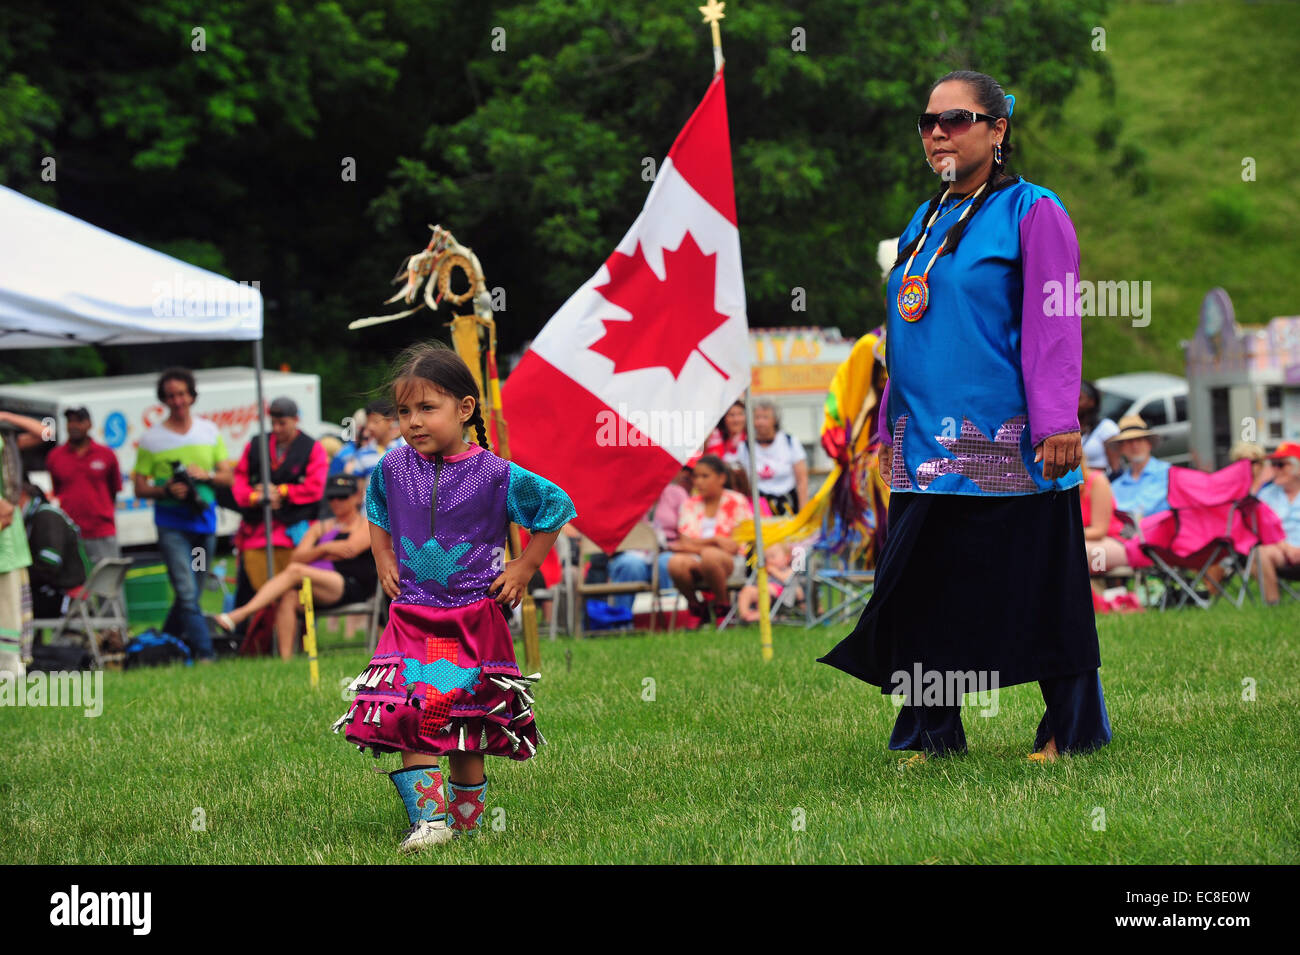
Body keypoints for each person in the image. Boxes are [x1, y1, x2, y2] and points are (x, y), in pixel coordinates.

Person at [820, 70, 1110, 764]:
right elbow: (905, 336)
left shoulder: (1034, 212)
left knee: (1039, 585)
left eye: (954, 118)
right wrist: (887, 426)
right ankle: (932, 733)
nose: (937, 132)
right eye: (927, 122)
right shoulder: (922, 222)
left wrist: (1056, 421)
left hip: (1006, 442)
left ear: (997, 129)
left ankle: (1070, 729)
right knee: (923, 593)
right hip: (922, 445)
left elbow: (1055, 318)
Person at [332, 342, 574, 852]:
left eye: (427, 408)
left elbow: (555, 506)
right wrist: (382, 558)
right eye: (404, 411)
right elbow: (375, 508)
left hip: (473, 617)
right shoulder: (393, 468)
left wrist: (524, 566)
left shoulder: (497, 474)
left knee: (466, 717)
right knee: (404, 709)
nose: (413, 422)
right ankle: (430, 822)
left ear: (464, 409)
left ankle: (466, 823)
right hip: (412, 616)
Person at [132, 368, 234, 663]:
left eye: (181, 394)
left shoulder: (209, 431)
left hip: (203, 524)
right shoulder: (152, 438)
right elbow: (139, 487)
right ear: (164, 400)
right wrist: (165, 490)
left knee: (193, 592)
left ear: (191, 396)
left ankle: (166, 642)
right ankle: (206, 654)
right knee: (187, 592)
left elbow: (228, 477)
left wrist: (206, 475)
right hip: (172, 525)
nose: (177, 400)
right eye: (171, 396)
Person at [214, 474, 374, 659]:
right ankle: (286, 659)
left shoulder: (365, 524)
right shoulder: (321, 527)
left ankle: (240, 614)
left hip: (353, 585)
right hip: (321, 585)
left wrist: (314, 552)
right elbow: (296, 557)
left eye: (342, 497)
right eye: (332, 497)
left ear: (357, 496)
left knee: (295, 572)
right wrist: (327, 548)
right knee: (288, 597)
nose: (336, 502)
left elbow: (350, 549)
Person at [231, 396, 328, 590]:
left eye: (282, 423)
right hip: (257, 530)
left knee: (295, 591)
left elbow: (315, 488)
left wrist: (282, 492)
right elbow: (239, 479)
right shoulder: (256, 444)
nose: (276, 428)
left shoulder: (312, 448)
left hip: (295, 529)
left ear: (295, 420)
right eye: (273, 423)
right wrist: (255, 497)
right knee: (252, 589)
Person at [664, 455, 753, 621]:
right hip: (697, 559)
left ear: (721, 478)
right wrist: (717, 540)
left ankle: (723, 607)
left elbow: (734, 546)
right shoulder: (689, 504)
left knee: (710, 557)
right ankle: (697, 607)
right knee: (675, 562)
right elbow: (683, 543)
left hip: (730, 561)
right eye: (695, 476)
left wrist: (696, 545)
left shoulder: (736, 501)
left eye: (705, 476)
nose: (698, 482)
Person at [606, 466, 693, 612]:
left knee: (667, 563)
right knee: (629, 565)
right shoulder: (624, 495)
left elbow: (688, 530)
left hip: (669, 549)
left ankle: (671, 618)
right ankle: (622, 620)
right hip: (633, 552)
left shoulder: (677, 494)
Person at [45, 407, 123, 562]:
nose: (74, 426)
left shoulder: (106, 454)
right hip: (70, 531)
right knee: (77, 583)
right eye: (70, 421)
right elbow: (57, 490)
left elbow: (113, 490)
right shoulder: (55, 456)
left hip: (101, 530)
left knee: (108, 580)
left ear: (89, 424)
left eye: (79, 421)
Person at [20, 483, 89, 619]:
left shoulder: (46, 517)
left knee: (13, 601)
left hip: (63, 595)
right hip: (61, 591)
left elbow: (48, 565)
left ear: (22, 495)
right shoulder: (41, 515)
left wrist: (21, 576)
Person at [733, 399, 809, 515]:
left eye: (765, 417)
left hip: (788, 501)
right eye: (757, 418)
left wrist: (804, 511)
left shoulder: (790, 442)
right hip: (759, 505)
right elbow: (742, 483)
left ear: (775, 420)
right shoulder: (744, 447)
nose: (760, 422)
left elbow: (802, 480)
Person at [0, 430, 33, 678]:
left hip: (8, 547)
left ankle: (11, 672)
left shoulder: (5, 437)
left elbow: (45, 432)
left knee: (10, 614)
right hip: (7, 544)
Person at [1256, 443, 1300, 605]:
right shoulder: (1266, 495)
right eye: (1273, 465)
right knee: (1260, 552)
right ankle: (1273, 604)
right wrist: (1285, 547)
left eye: (1281, 465)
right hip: (1280, 550)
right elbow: (1258, 527)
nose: (1276, 469)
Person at [1107, 414, 1172, 518]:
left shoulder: (1168, 472)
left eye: (1139, 439)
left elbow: (1143, 509)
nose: (1135, 445)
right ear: (1122, 448)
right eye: (1129, 441)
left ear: (1149, 444)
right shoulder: (1115, 487)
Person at [328, 399, 402, 481]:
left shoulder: (403, 449)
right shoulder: (362, 453)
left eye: (375, 422)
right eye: (368, 422)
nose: (370, 427)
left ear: (390, 420)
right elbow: (359, 490)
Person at [1079, 462, 1127, 588]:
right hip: (1082, 541)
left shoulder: (1096, 481)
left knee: (1072, 552)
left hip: (1113, 541)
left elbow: (1099, 531)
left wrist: (1065, 535)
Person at [737, 541, 803, 622]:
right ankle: (744, 614)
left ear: (787, 558)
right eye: (767, 557)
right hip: (761, 591)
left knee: (766, 589)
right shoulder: (766, 569)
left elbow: (785, 579)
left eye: (773, 556)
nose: (769, 560)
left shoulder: (790, 570)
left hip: (781, 596)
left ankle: (760, 613)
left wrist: (774, 571)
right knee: (747, 590)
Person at [1079, 382, 1121, 475]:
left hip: (1097, 484)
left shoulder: (1106, 428)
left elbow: (1115, 467)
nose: (1074, 403)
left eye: (1079, 399)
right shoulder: (1068, 429)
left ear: (1092, 402)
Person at [704, 400, 747, 465]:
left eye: (740, 414)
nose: (736, 420)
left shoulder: (751, 437)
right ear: (724, 418)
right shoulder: (715, 434)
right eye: (731, 415)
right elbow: (714, 464)